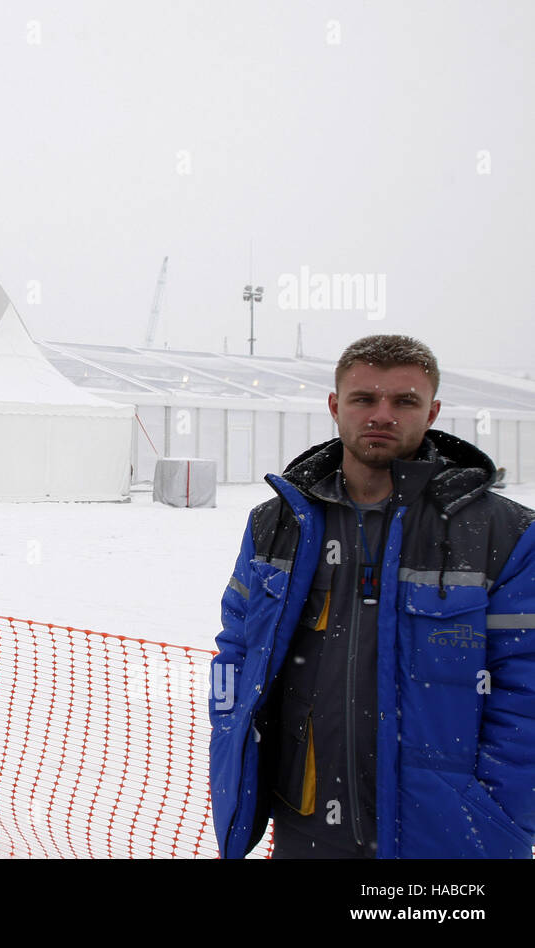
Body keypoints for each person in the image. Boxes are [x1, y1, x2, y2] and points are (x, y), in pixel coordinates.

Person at [210, 335, 535, 859]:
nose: (382, 414)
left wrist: (492, 808)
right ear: (336, 406)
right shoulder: (277, 523)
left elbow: (526, 687)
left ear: (432, 412)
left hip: (445, 835)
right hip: (305, 821)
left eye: (404, 401)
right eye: (364, 399)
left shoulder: (505, 533)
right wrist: (230, 728)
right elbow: (236, 650)